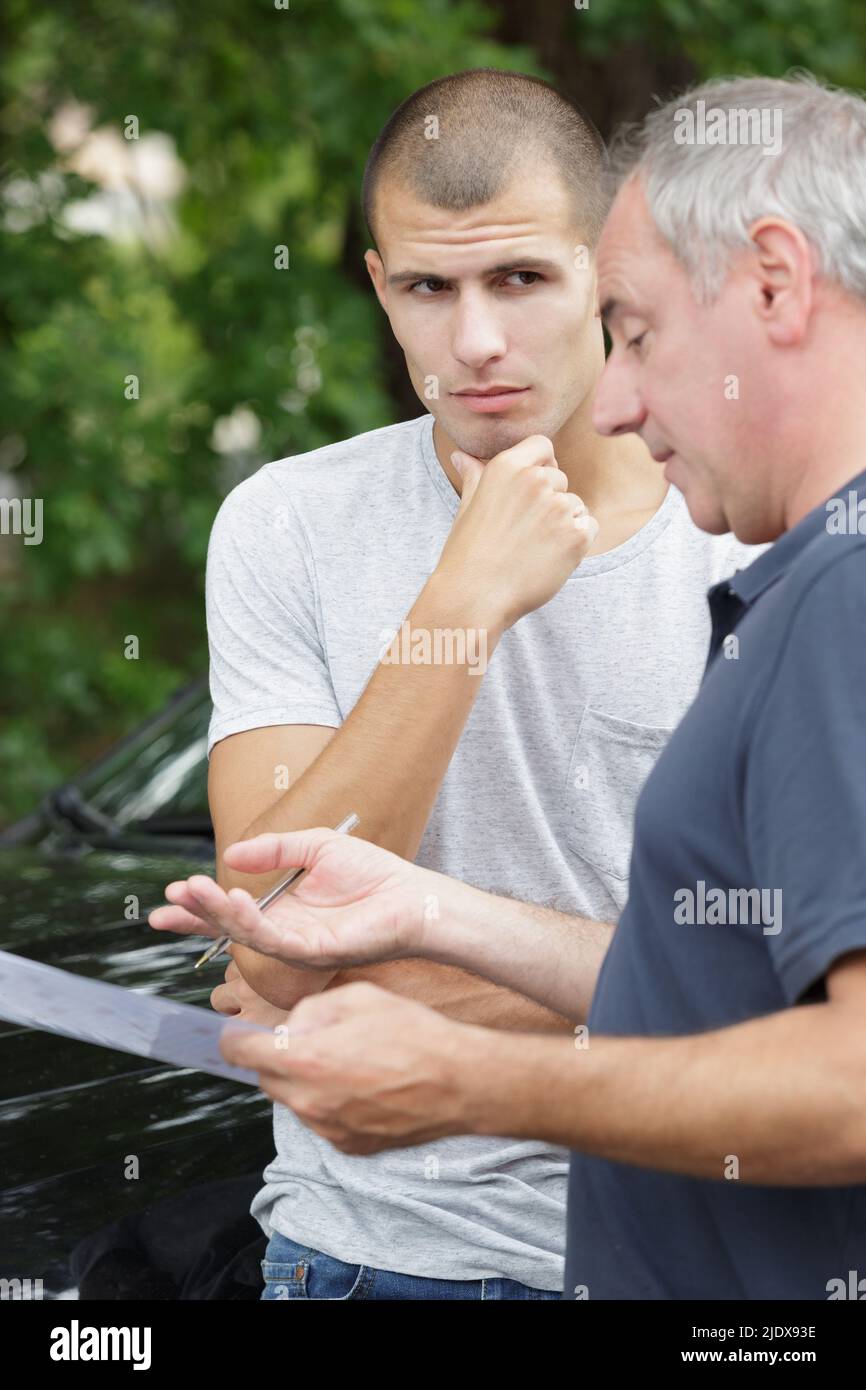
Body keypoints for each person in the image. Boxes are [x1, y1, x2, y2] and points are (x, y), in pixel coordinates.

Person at [151, 69, 757, 1300]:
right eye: (429, 287)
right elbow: (282, 931)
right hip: (364, 1257)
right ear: (378, 288)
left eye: (520, 279)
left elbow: (787, 994)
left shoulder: (749, 529)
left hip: (689, 1262)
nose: (474, 339)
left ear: (607, 265)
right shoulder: (288, 522)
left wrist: (385, 980)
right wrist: (459, 604)